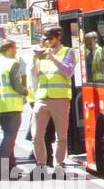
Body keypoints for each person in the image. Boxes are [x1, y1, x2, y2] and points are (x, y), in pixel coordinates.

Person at [31, 25, 76, 171]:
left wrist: (53, 58)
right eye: (45, 38)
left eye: (50, 38)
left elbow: (68, 72)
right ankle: (41, 164)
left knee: (61, 135)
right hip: (42, 98)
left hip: (60, 99)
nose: (47, 41)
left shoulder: (68, 51)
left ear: (59, 37)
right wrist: (34, 60)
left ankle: (59, 164)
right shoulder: (43, 53)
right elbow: (35, 75)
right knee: (36, 135)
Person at [0, 39, 27, 180]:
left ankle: (12, 168)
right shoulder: (12, 63)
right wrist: (26, 91)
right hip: (11, 105)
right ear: (9, 49)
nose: (16, 52)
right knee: (9, 137)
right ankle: (1, 169)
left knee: (8, 136)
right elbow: (17, 86)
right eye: (14, 49)